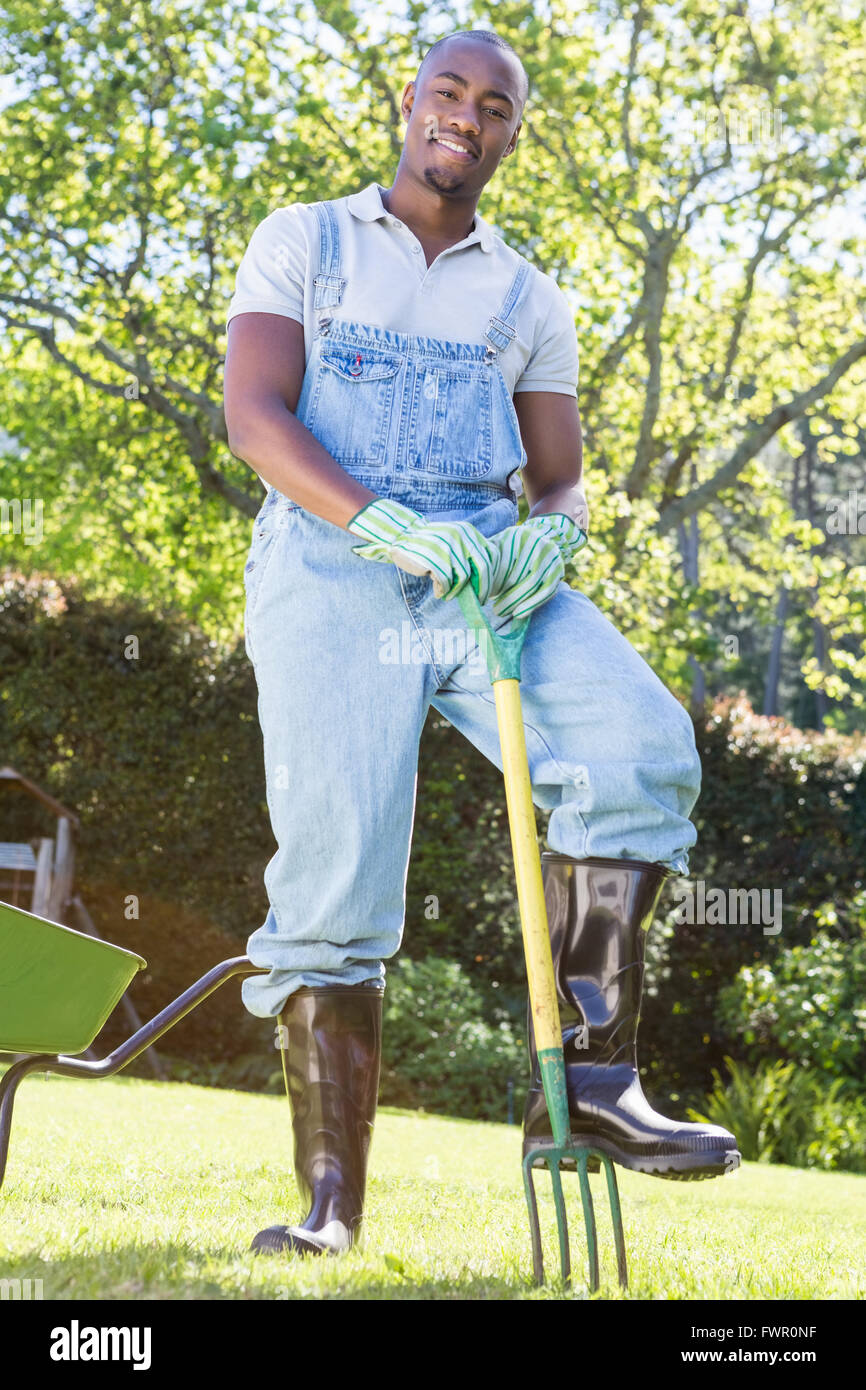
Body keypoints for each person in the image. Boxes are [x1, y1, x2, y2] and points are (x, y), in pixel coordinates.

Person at [223, 28, 740, 1259]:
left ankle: (591, 1086)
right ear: (409, 104)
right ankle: (329, 1206)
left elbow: (557, 482)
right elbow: (253, 413)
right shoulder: (308, 240)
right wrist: (376, 519)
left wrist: (546, 547)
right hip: (332, 573)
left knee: (636, 746)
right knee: (337, 879)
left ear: (511, 132)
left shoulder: (526, 295)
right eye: (446, 93)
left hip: (482, 578)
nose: (464, 117)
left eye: (492, 105)